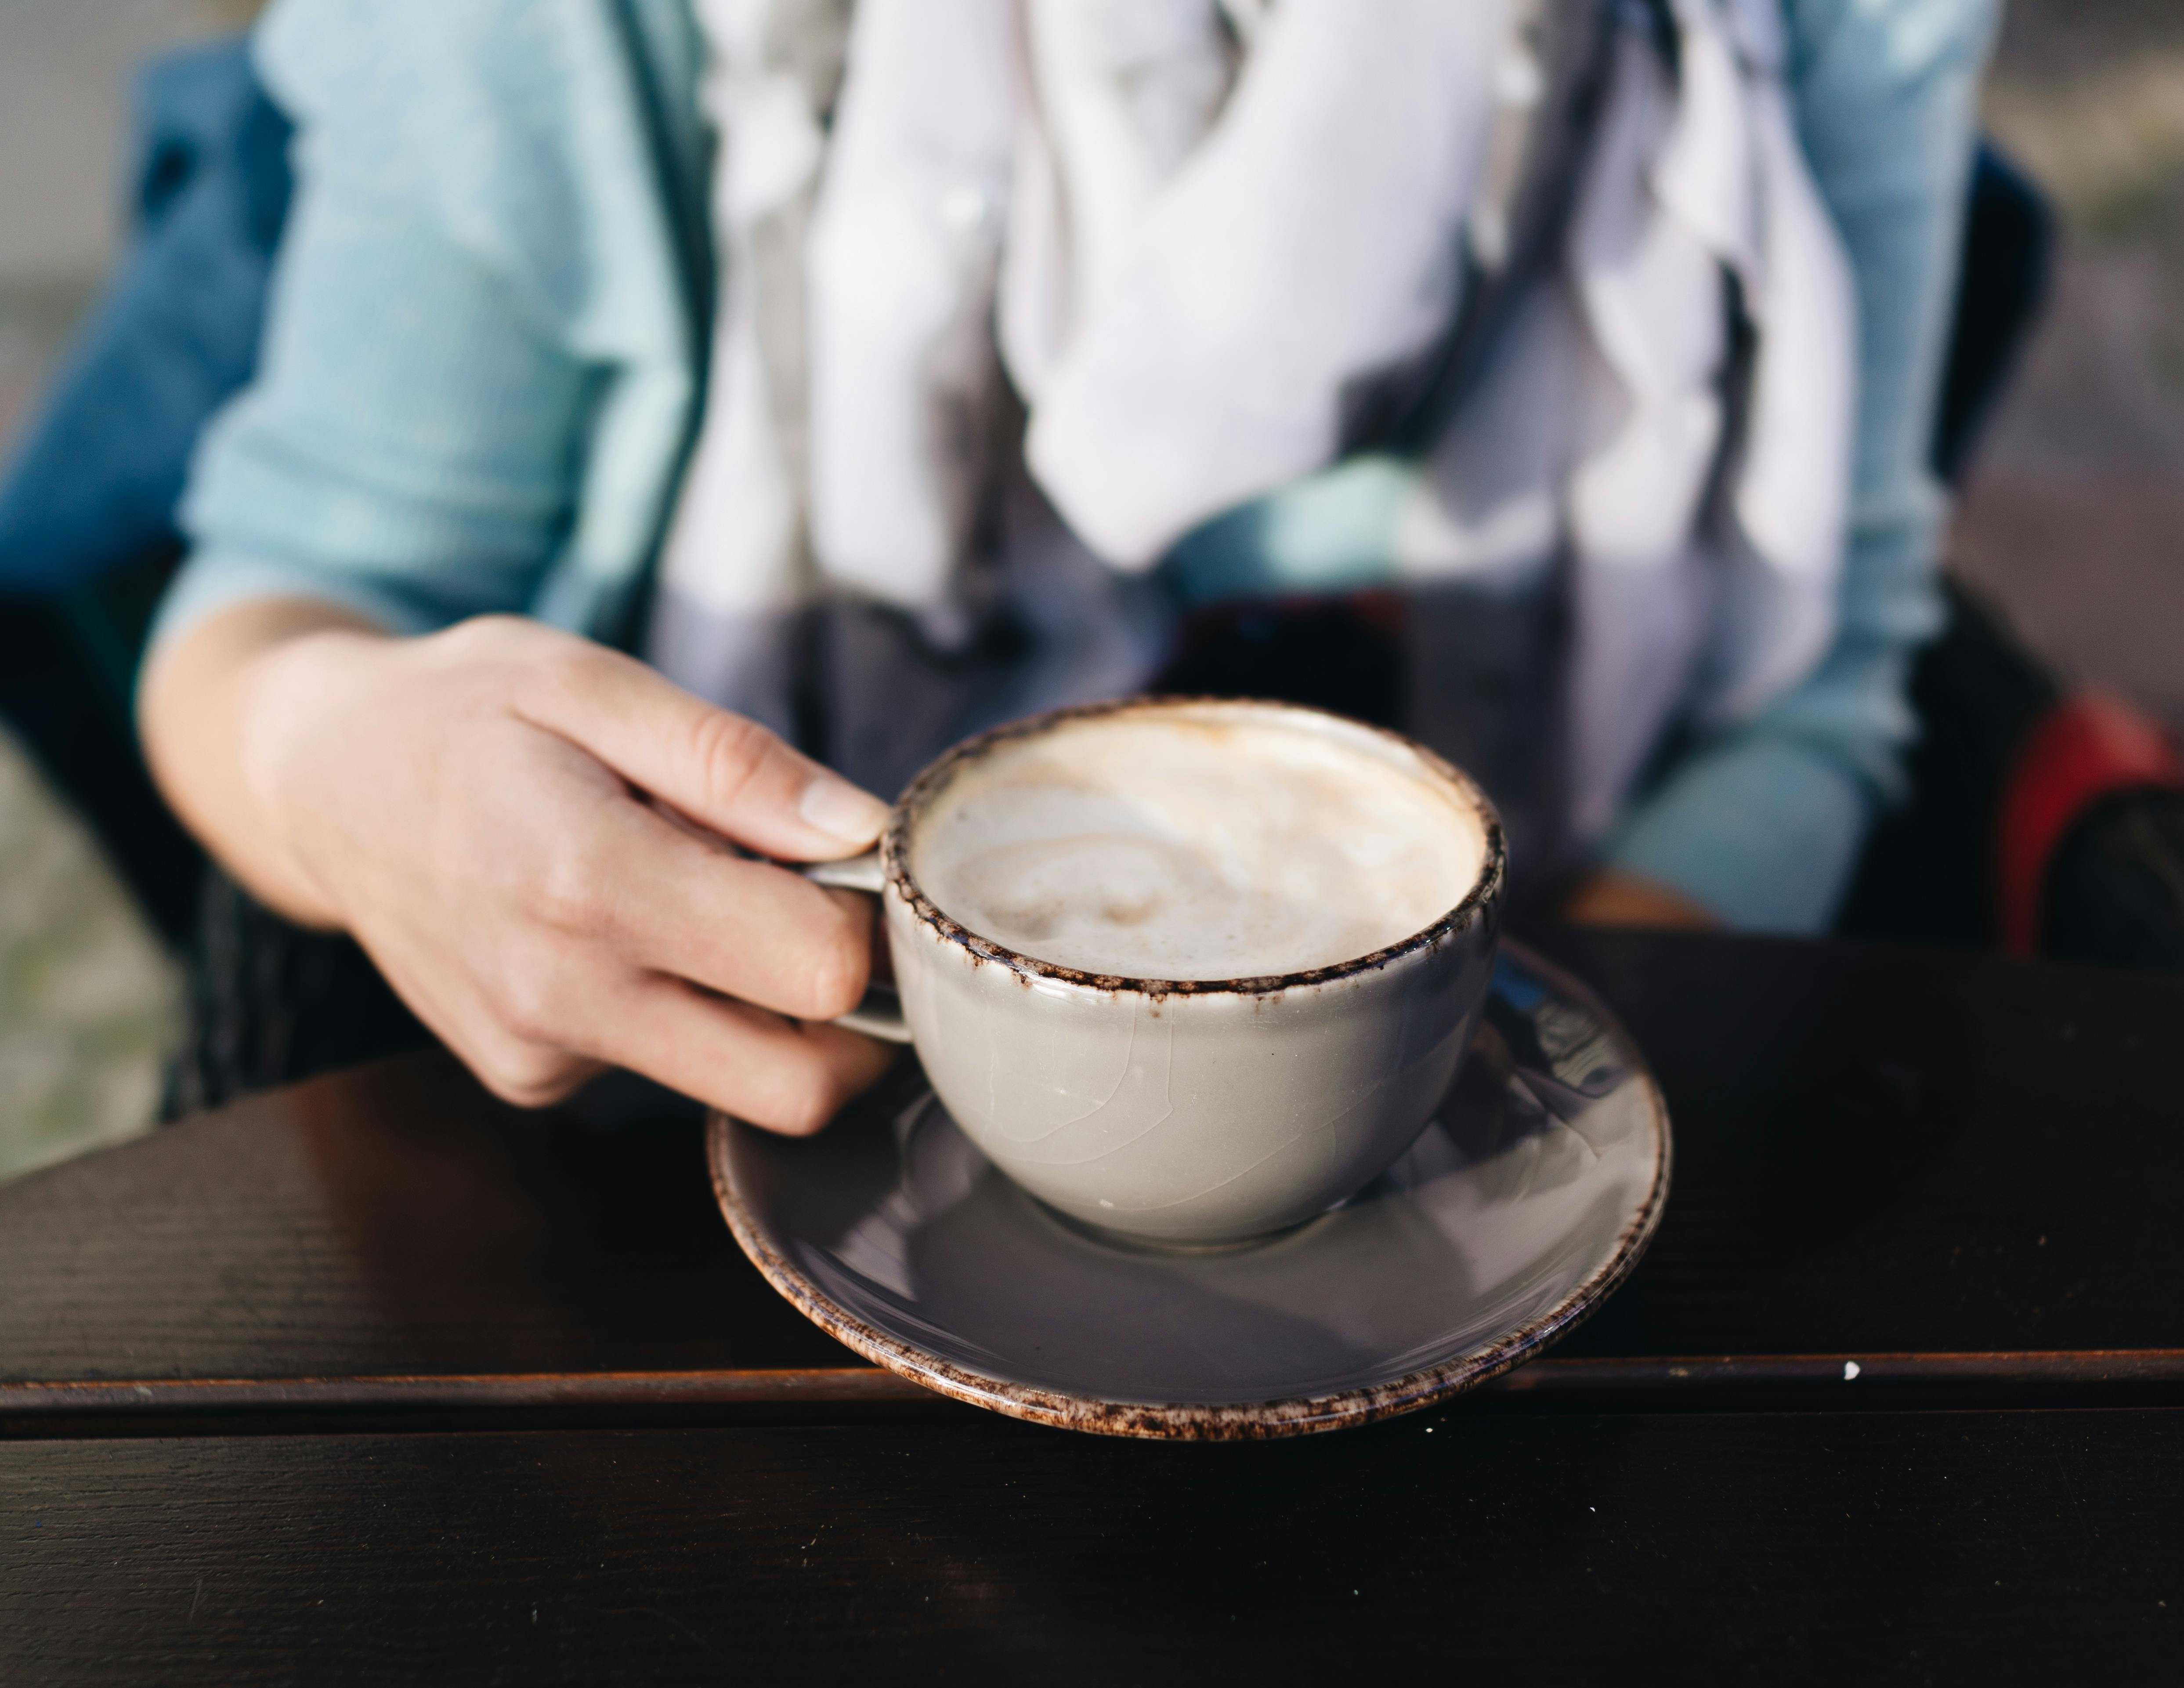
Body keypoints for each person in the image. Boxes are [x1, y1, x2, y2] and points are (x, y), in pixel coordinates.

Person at [137, 0, 1996, 1130]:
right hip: (705, 1162)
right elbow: (283, 612)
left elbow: (1817, 689)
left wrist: (1501, 1114)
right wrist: (340, 757)